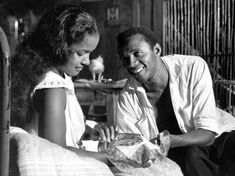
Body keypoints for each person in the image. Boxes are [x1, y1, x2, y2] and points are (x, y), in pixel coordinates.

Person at [116, 27, 235, 176]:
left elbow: (208, 133)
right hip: (174, 157)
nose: (132, 64)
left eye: (137, 54)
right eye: (125, 59)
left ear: (157, 50)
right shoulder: (128, 96)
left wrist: (172, 140)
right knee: (191, 156)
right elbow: (129, 148)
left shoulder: (192, 67)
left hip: (216, 140)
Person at [11, 5, 116, 163]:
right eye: (81, 53)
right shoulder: (52, 88)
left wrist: (88, 129)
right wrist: (111, 158)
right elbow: (58, 152)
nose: (87, 61)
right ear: (58, 46)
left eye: (89, 53)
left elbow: (58, 129)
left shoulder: (56, 76)